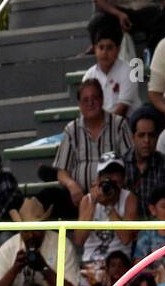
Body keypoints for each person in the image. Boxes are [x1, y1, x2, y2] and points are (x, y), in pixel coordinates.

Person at [55, 78, 133, 213]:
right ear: (79, 105)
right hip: (80, 197)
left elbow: (131, 162)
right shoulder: (71, 130)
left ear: (102, 99)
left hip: (113, 194)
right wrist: (72, 185)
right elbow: (62, 172)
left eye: (94, 98)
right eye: (85, 100)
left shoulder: (119, 125)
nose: (90, 103)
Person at [76, 153, 139, 286]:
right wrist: (94, 203)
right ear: (98, 178)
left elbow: (126, 238)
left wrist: (108, 206)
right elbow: (79, 239)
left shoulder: (129, 198)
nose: (111, 178)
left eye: (116, 173)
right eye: (107, 174)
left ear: (123, 178)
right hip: (91, 264)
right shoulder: (87, 200)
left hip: (119, 264)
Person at [84, 18, 140, 117]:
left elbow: (122, 110)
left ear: (118, 50)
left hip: (127, 123)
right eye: (101, 47)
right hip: (100, 125)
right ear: (94, 49)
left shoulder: (129, 71)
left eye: (109, 48)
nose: (104, 53)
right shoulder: (89, 75)